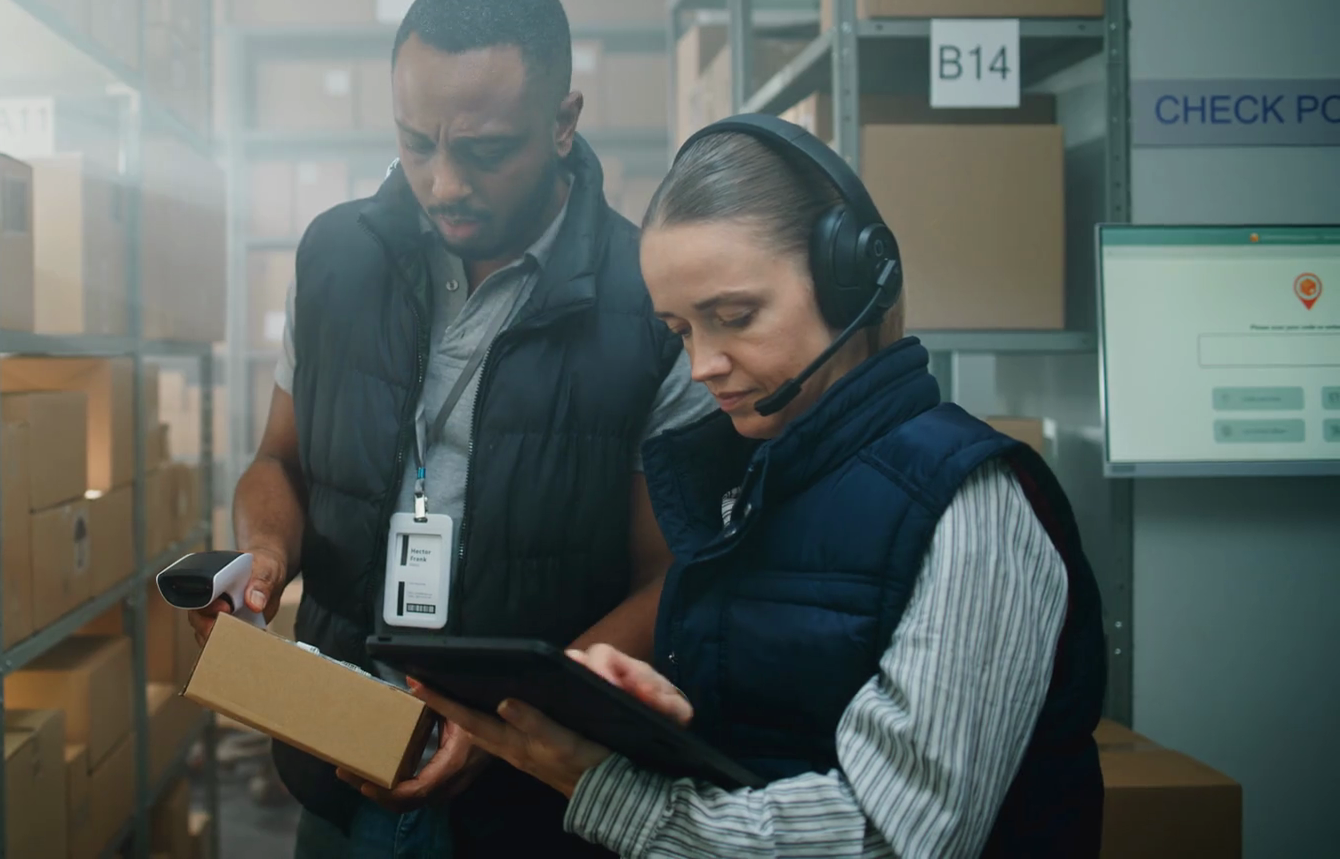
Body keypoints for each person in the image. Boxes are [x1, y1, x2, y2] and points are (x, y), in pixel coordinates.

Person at [412, 114, 1108, 858]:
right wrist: (647, 717)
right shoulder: (745, 481)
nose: (703, 363)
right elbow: (778, 738)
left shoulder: (971, 505)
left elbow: (894, 836)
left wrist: (611, 791)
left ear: (850, 280)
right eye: (681, 330)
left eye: (734, 317)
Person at [190, 0, 715, 857]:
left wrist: (517, 715)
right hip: (336, 761)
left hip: (536, 802)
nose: (441, 184)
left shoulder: (650, 300)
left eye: (482, 151)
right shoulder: (333, 261)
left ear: (563, 124)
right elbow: (278, 460)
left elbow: (673, 578)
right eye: (414, 142)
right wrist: (266, 555)